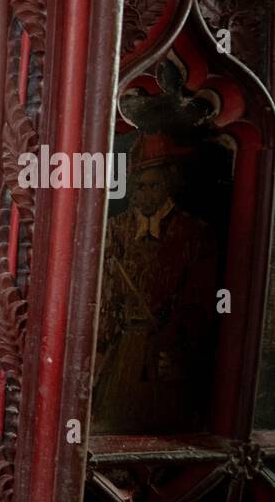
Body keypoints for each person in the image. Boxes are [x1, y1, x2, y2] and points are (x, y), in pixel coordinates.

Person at [93, 132, 219, 434]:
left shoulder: (193, 234)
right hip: (121, 353)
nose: (144, 195)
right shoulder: (114, 230)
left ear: (169, 185)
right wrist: (97, 349)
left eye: (153, 186)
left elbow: (200, 303)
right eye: (139, 187)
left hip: (163, 354)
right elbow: (104, 297)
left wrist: (179, 351)